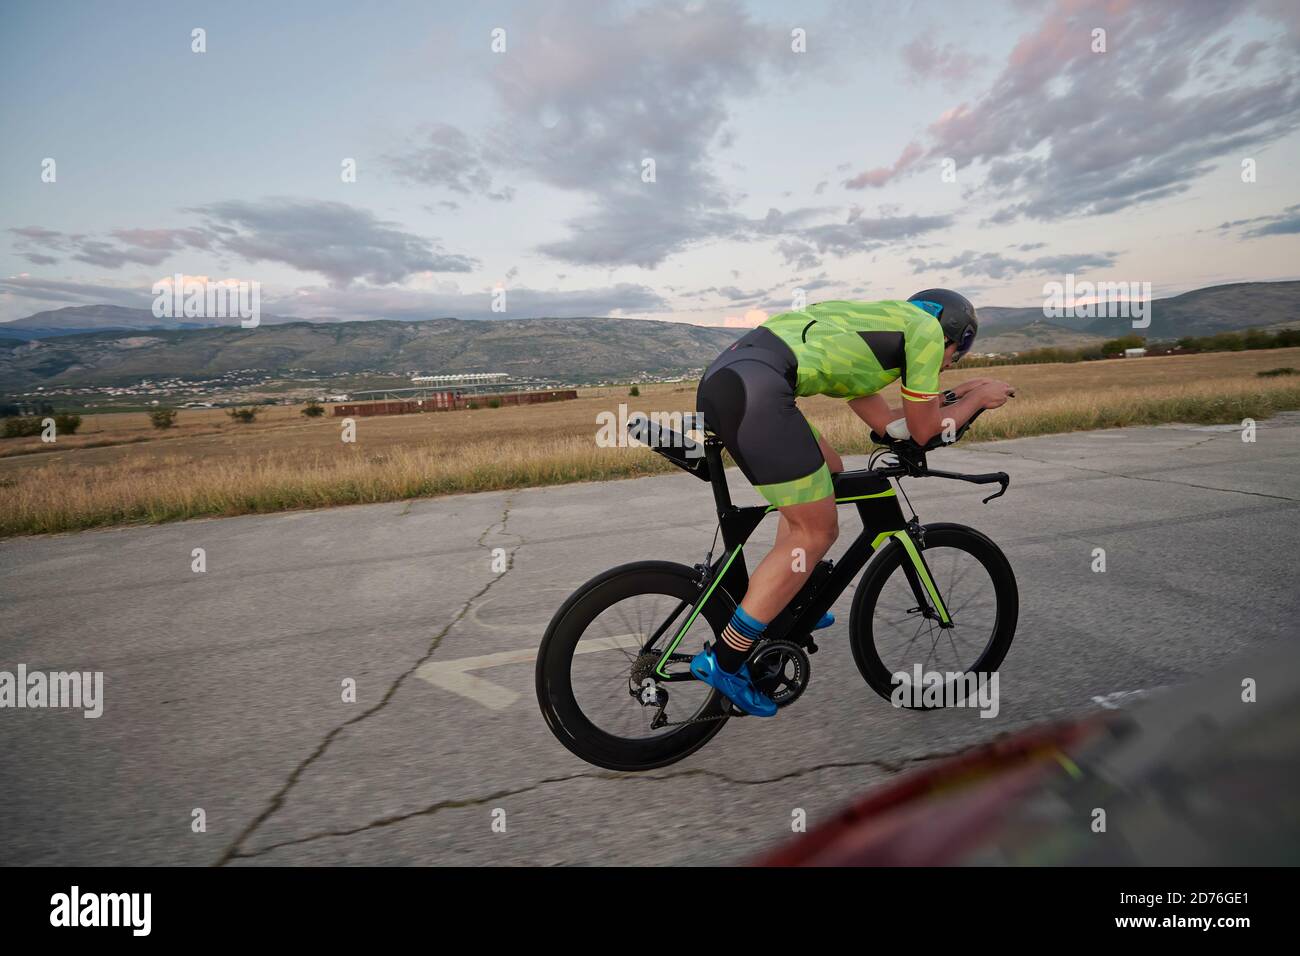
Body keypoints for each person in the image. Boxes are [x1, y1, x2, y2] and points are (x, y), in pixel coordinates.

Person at [690, 289, 1015, 715]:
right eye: (962, 348)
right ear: (952, 332)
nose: (953, 360)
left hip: (731, 380)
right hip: (757, 390)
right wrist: (980, 398)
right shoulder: (925, 333)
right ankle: (726, 660)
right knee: (818, 529)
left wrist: (961, 394)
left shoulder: (873, 330)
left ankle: (787, 594)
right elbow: (923, 433)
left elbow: (889, 426)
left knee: (828, 469)